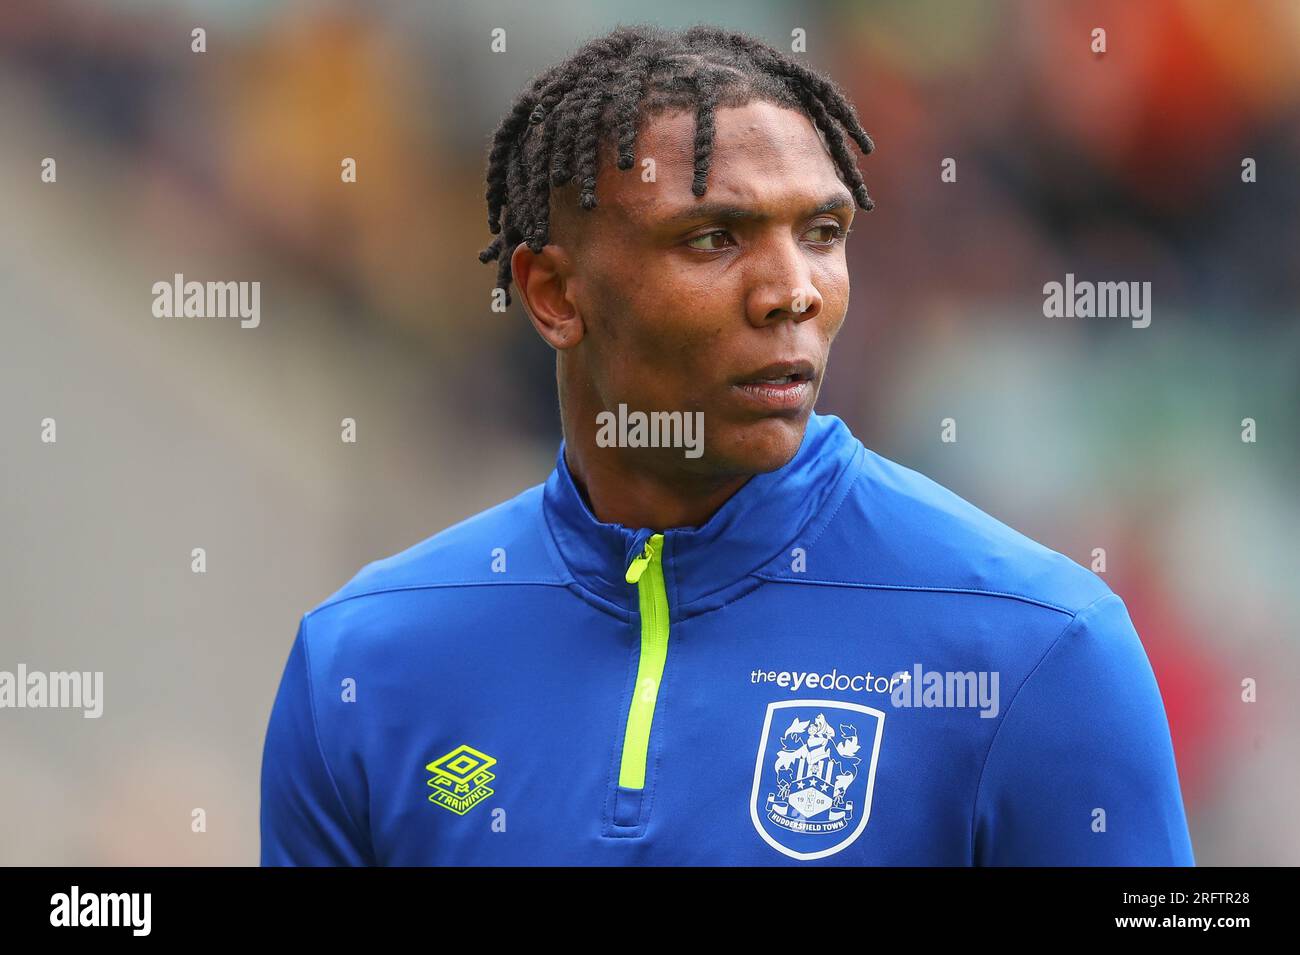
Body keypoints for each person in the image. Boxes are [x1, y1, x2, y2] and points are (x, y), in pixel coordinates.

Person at [260, 24, 1194, 865]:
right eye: (713, 239)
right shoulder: (364, 663)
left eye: (822, 233)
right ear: (552, 293)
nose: (794, 291)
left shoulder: (1040, 647)